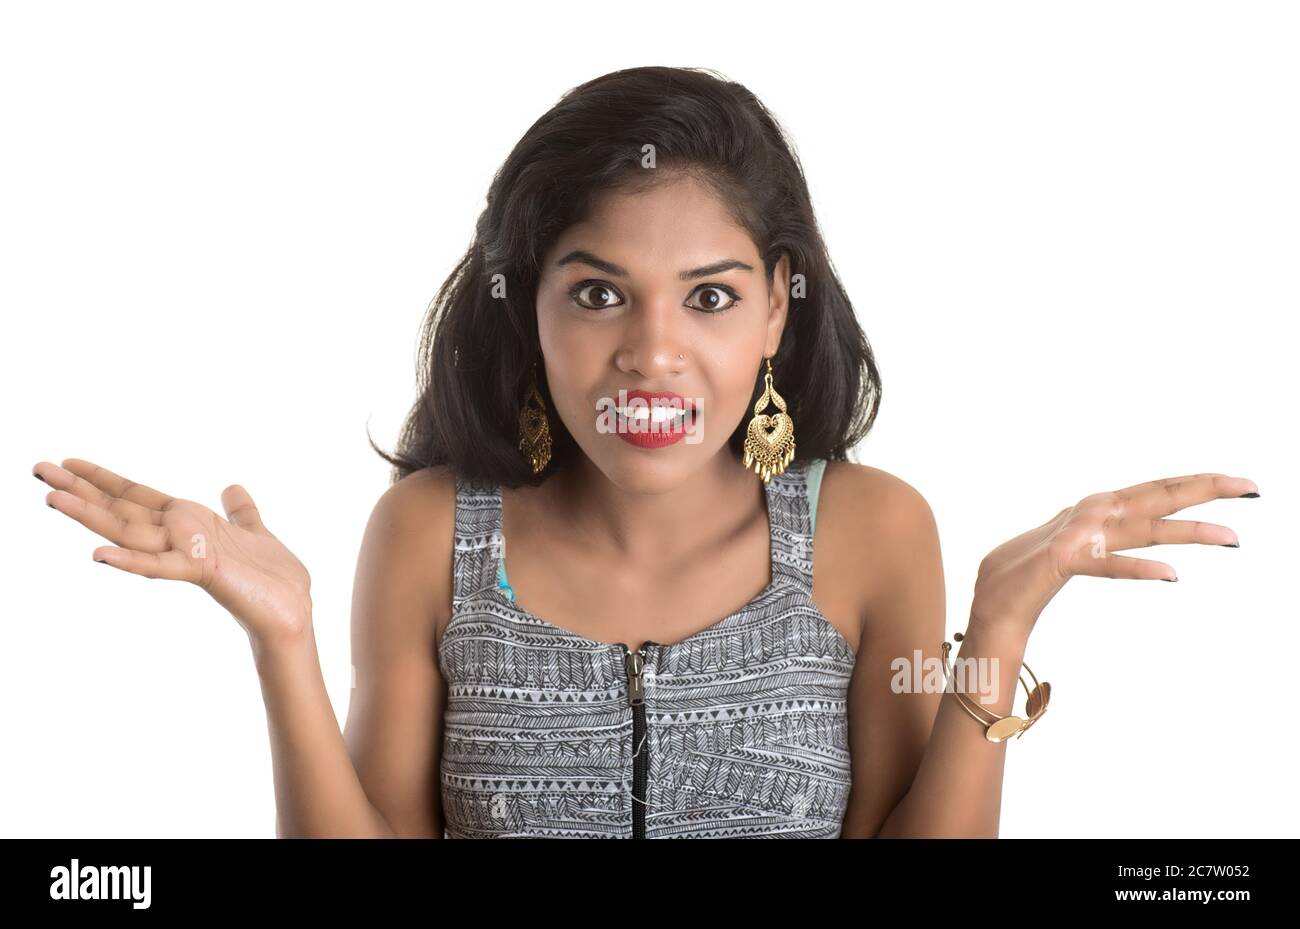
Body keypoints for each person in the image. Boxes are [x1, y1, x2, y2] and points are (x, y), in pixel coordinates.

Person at [32, 66, 1259, 838]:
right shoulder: (428, 531)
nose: (652, 353)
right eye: (600, 294)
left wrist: (995, 632)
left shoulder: (871, 530)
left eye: (711, 298)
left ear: (781, 305)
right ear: (529, 305)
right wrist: (284, 642)